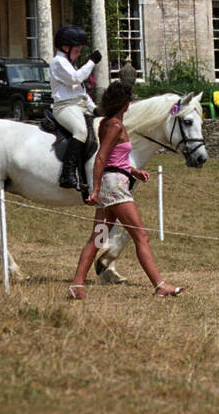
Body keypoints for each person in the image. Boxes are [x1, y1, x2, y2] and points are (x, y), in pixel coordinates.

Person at [67, 81, 184, 299]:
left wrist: (133, 171)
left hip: (112, 184)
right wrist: (95, 189)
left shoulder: (107, 124)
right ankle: (159, 285)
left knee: (98, 239)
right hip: (115, 188)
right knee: (141, 236)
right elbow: (101, 157)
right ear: (126, 104)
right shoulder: (115, 126)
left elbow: (113, 158)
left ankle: (76, 285)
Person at [48, 24, 101, 197]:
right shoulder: (58, 62)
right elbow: (75, 79)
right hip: (64, 107)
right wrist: (91, 61)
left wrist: (95, 109)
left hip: (78, 106)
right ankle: (67, 174)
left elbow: (81, 92)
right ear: (66, 47)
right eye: (77, 50)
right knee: (80, 131)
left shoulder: (69, 63)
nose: (79, 53)